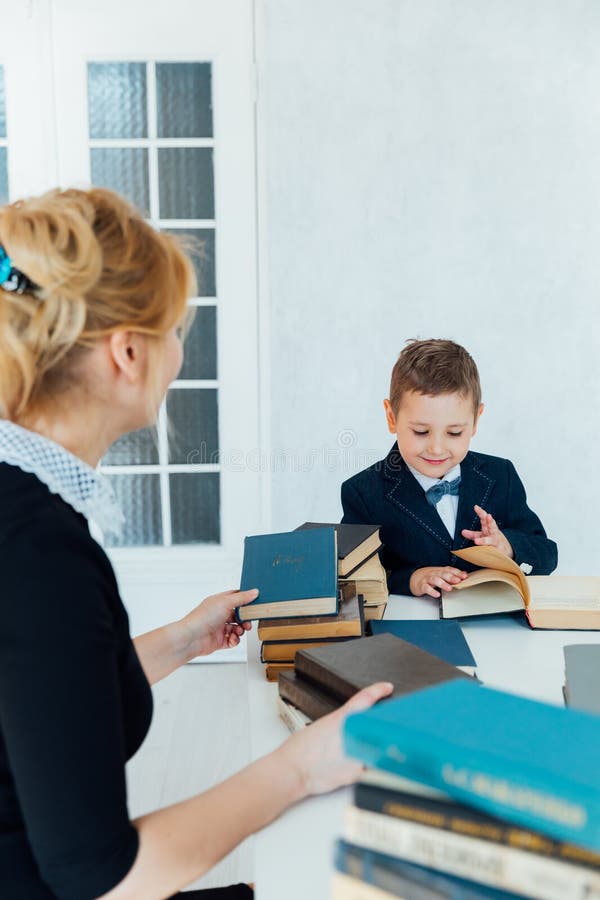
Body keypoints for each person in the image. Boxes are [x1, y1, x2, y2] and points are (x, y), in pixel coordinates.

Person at [0, 186, 393, 900]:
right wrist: (301, 768)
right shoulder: (37, 551)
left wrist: (181, 640)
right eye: (178, 329)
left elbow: (41, 698)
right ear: (128, 351)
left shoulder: (21, 513)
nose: (181, 353)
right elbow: (105, 878)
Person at [341, 339, 557, 598]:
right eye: (421, 431)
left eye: (454, 432)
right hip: (414, 626)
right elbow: (353, 576)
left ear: (476, 420)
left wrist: (508, 546)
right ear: (391, 417)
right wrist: (411, 579)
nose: (436, 448)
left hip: (497, 627)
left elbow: (547, 554)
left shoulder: (501, 476)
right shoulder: (363, 492)